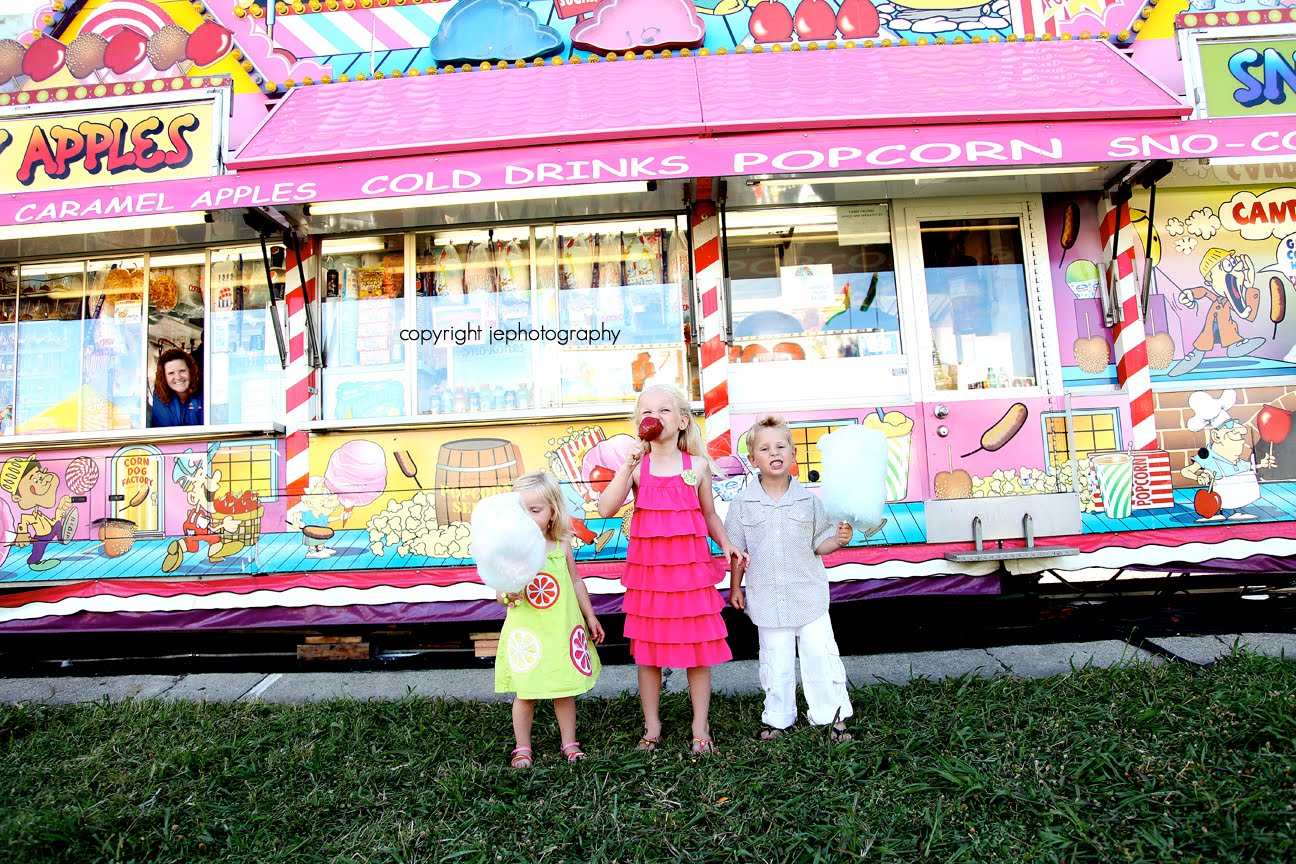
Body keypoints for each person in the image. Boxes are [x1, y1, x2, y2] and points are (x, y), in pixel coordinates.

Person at [597, 383, 745, 755]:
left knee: (697, 650)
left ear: (681, 421)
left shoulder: (695, 466)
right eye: (647, 411)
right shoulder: (636, 467)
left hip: (690, 572)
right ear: (638, 422)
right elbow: (605, 509)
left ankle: (700, 724)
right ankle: (652, 724)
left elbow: (709, 514)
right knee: (648, 654)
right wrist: (627, 464)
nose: (655, 417)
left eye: (665, 410)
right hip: (650, 576)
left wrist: (725, 542)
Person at [725, 415, 855, 742]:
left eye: (781, 446)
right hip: (766, 597)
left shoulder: (809, 501)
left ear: (793, 453)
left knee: (820, 656)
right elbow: (737, 552)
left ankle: (832, 716)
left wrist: (838, 540)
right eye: (765, 448)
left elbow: (819, 543)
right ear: (752, 459)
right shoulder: (742, 504)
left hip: (808, 596)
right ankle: (778, 718)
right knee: (774, 659)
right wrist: (735, 587)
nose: (774, 452)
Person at [495, 471, 605, 769]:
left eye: (535, 510)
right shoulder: (511, 552)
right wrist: (508, 594)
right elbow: (501, 591)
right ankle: (522, 747)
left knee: (563, 688)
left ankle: (569, 742)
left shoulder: (561, 545)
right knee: (525, 692)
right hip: (529, 633)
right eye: (521, 511)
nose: (528, 517)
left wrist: (590, 615)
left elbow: (576, 581)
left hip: (560, 628)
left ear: (552, 512)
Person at [150, 348, 202, 427]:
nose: (178, 377)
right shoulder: (160, 395)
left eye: (182, 371)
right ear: (164, 377)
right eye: (171, 373)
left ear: (191, 371)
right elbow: (164, 431)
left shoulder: (206, 390)